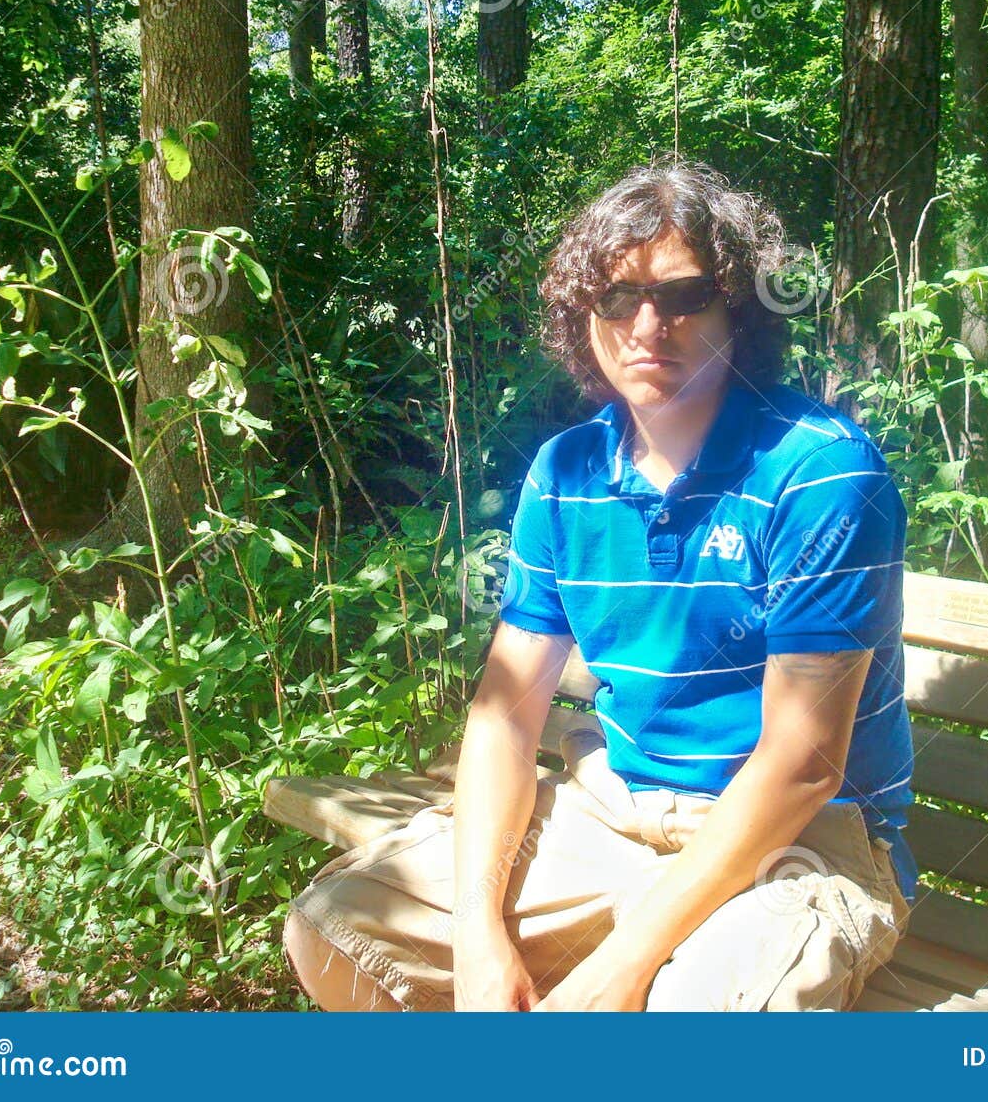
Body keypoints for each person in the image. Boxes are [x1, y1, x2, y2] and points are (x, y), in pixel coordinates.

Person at [283, 162, 916, 1011]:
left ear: (739, 310)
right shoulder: (567, 470)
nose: (649, 324)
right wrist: (477, 934)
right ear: (585, 318)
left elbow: (803, 767)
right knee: (334, 929)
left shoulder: (819, 471)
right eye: (617, 298)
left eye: (686, 295)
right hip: (615, 816)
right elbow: (506, 716)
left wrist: (618, 969)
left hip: (799, 847)